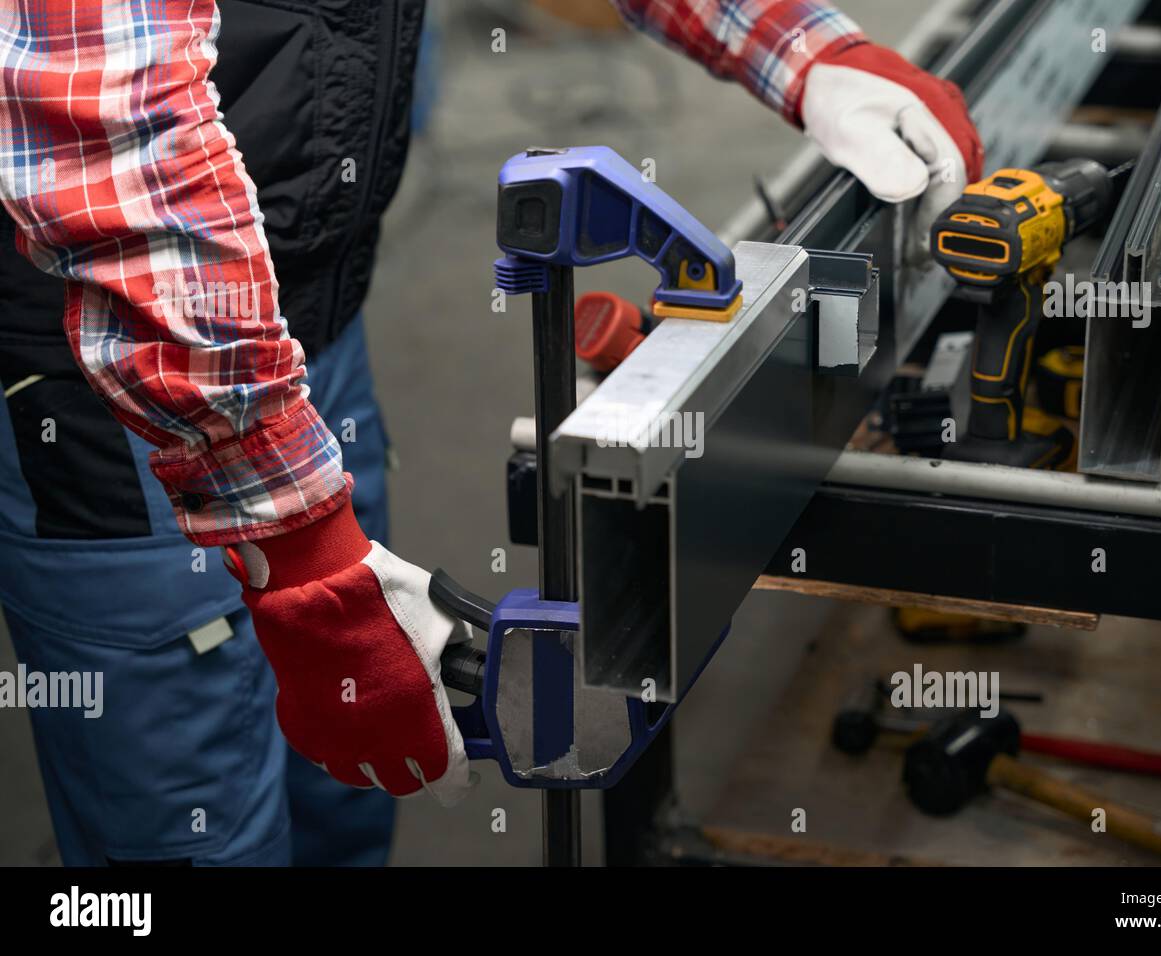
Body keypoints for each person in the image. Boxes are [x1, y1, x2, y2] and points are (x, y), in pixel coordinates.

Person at [0, 0, 981, 866]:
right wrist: (306, 559)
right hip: (117, 382)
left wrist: (801, 49)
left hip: (302, 331)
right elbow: (110, 153)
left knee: (348, 781)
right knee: (197, 827)